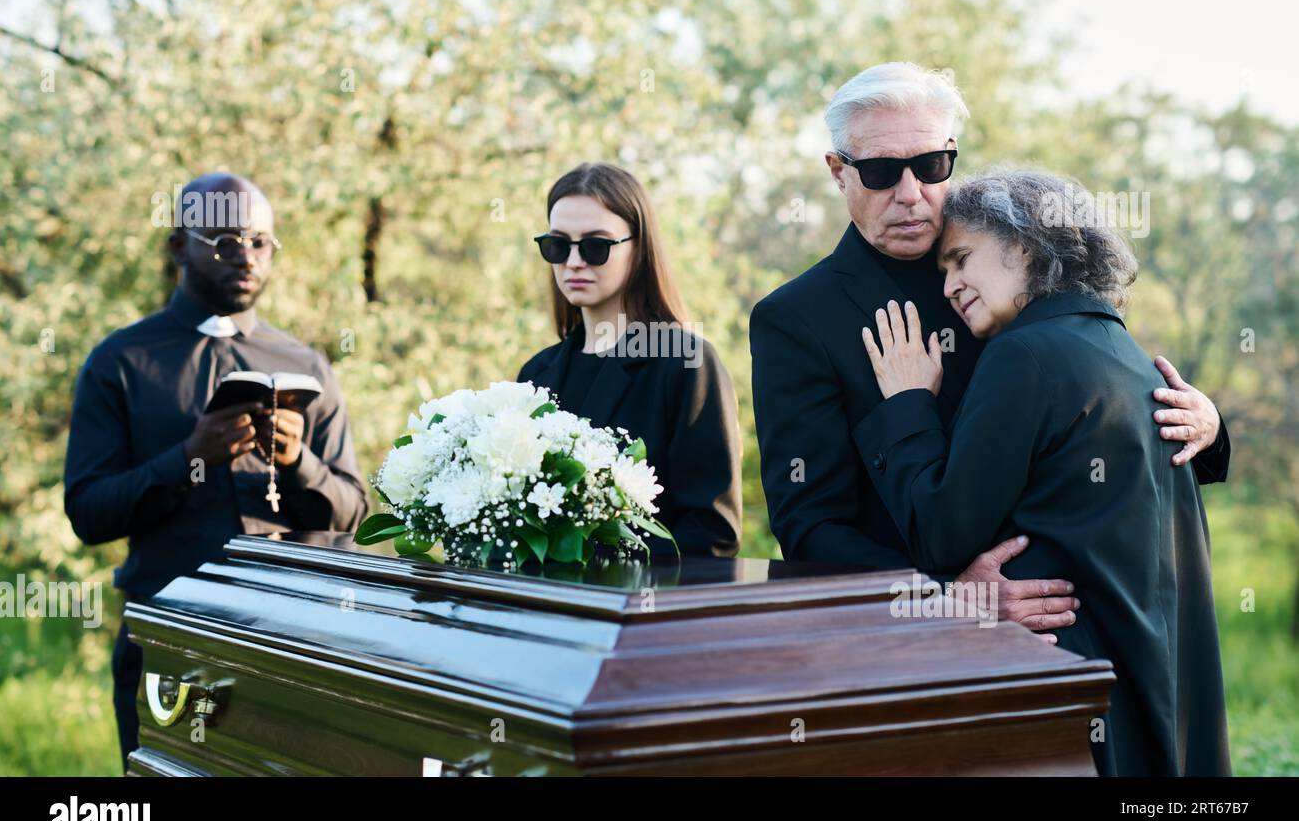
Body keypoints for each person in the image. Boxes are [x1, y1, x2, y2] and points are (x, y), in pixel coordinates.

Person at [749, 61, 1231, 639]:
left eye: (930, 166)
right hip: (907, 649)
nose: (911, 194)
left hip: (1082, 634)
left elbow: (1095, 398)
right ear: (838, 171)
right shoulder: (795, 319)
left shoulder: (1012, 261)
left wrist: (1203, 424)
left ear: (951, 155)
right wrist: (943, 597)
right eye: (881, 171)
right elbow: (810, 526)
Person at [857, 169, 1231, 776]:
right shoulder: (1126, 354)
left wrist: (906, 406)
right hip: (1159, 697)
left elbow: (944, 535)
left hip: (1071, 691)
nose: (950, 285)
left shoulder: (1022, 355)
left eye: (961, 259)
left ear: (1025, 245)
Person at [64, 172, 368, 772]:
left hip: (292, 645)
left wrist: (298, 463)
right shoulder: (120, 361)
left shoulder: (305, 365)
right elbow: (89, 513)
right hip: (169, 642)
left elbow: (353, 511)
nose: (247, 256)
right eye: (226, 241)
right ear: (179, 246)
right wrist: (188, 459)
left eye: (261, 242)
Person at [518, 162, 742, 556]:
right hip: (544, 612)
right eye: (557, 245)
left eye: (596, 246)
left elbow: (712, 533)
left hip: (643, 611)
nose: (573, 262)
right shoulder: (536, 373)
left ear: (639, 249)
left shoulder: (685, 362)